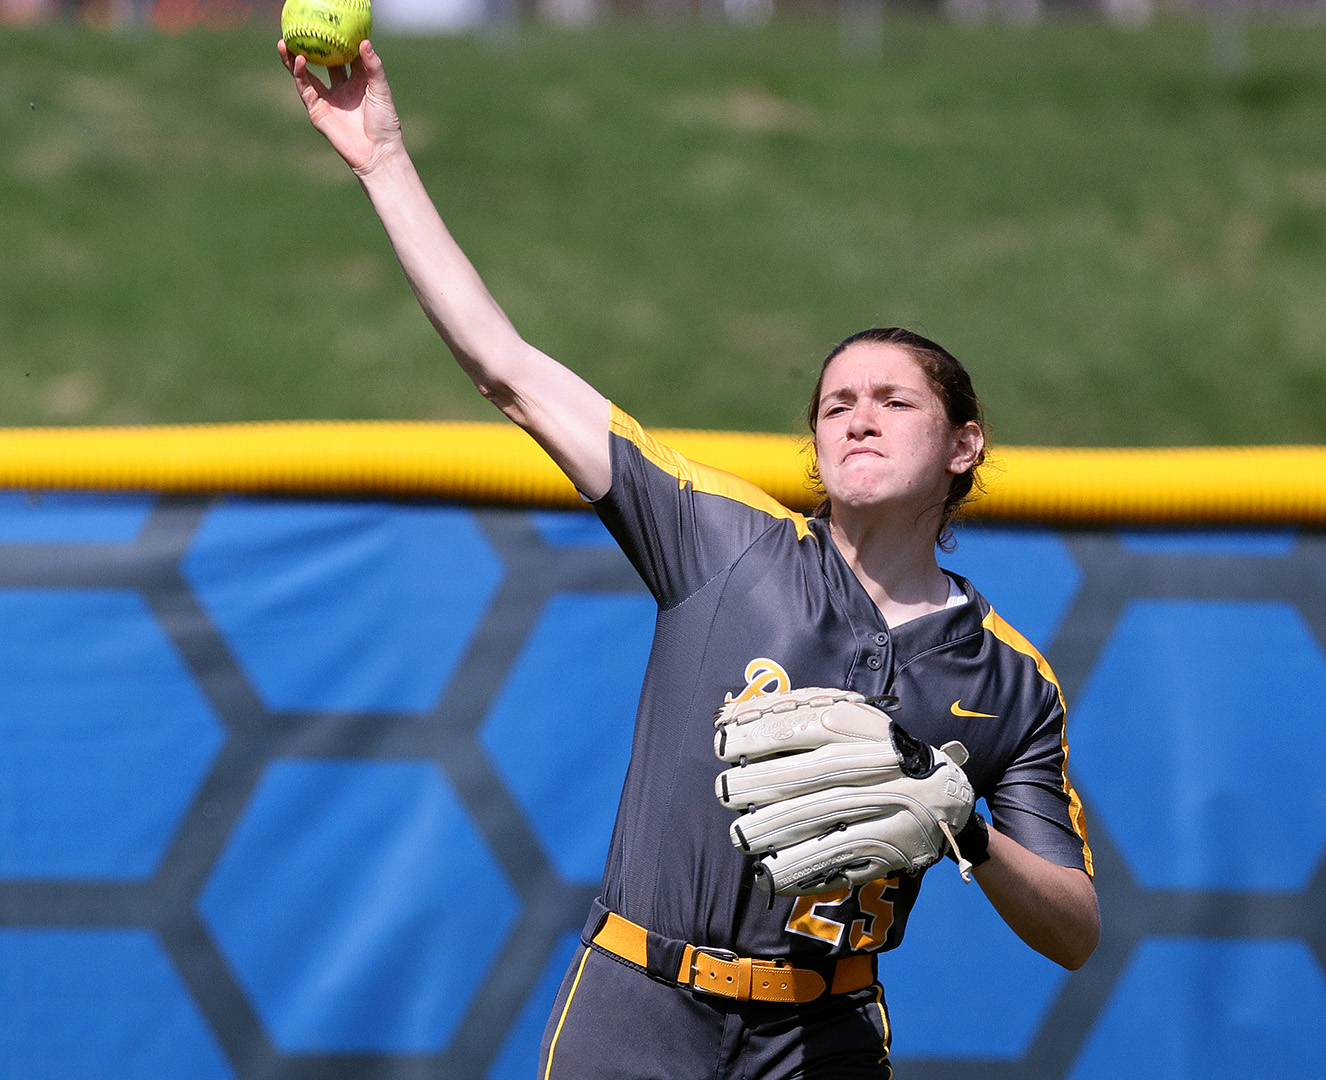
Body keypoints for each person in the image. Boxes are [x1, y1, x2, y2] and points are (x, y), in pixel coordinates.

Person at [280, 40, 1099, 1079]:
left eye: (895, 401)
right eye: (835, 403)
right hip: (639, 1010)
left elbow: (1075, 930)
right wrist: (382, 158)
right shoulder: (727, 544)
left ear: (964, 445)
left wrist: (961, 829)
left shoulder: (1012, 683)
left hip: (824, 1034)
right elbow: (510, 372)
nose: (858, 418)